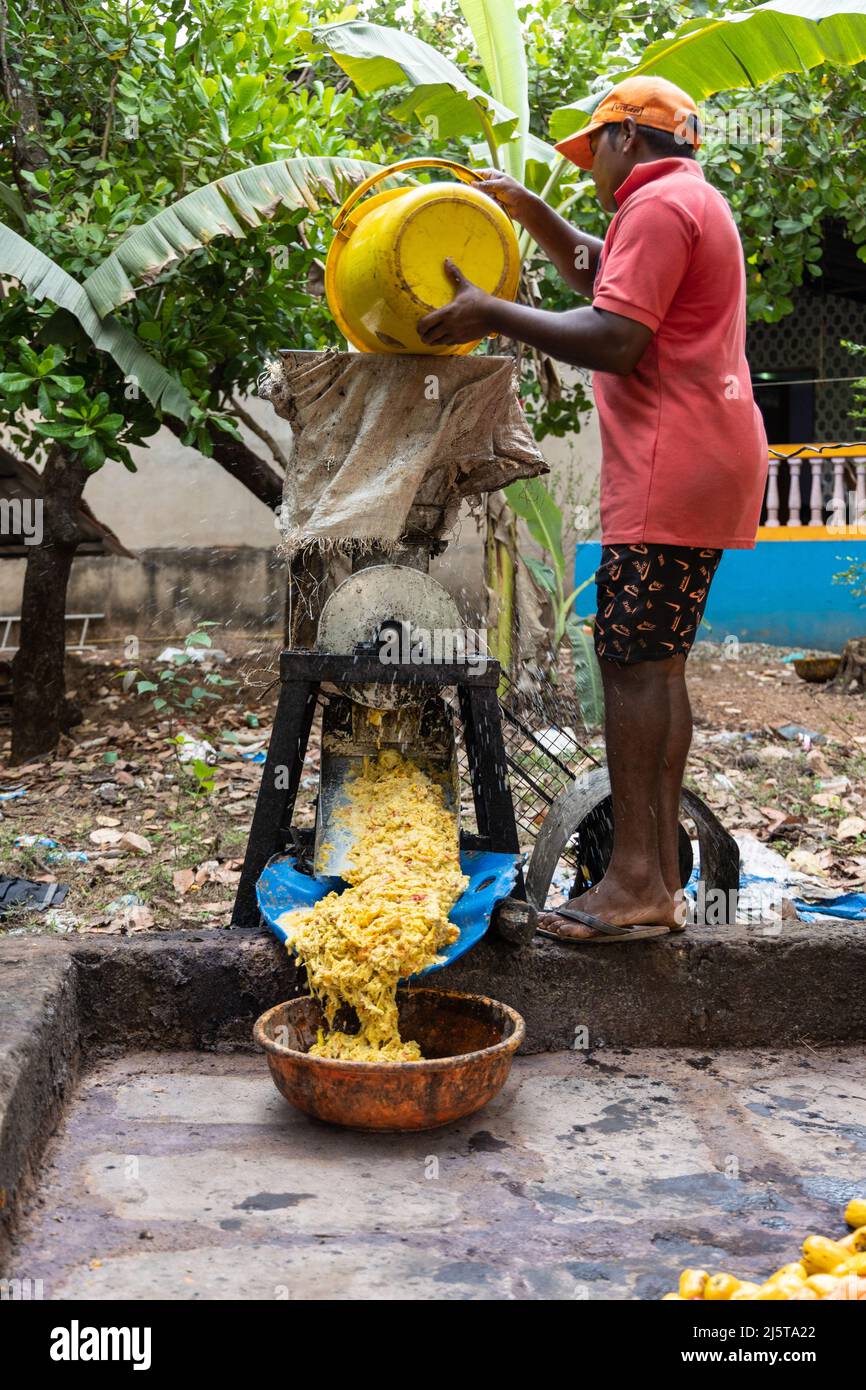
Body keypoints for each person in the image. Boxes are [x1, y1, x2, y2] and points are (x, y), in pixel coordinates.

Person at [418, 75, 768, 943]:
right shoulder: (686, 200)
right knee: (658, 663)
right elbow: (610, 276)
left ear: (624, 139)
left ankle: (639, 880)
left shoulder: (655, 210)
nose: (594, 171)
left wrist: (490, 311)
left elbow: (616, 334)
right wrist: (531, 212)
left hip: (669, 462)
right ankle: (654, 872)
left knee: (633, 665)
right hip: (707, 457)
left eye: (595, 151)